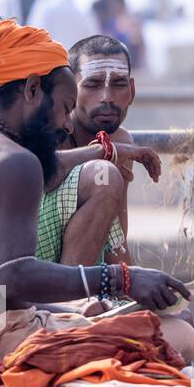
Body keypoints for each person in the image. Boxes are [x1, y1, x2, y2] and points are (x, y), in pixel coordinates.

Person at [0, 18, 194, 363]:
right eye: (64, 107)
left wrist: (75, 308)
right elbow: (16, 277)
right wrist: (121, 279)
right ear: (32, 90)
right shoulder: (15, 161)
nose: (65, 124)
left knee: (129, 320)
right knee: (180, 336)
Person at [34, 34, 162, 270]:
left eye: (119, 84)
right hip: (31, 273)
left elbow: (115, 241)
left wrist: (128, 291)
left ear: (132, 90)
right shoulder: (47, 128)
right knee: (102, 173)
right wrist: (106, 152)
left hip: (86, 279)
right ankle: (70, 298)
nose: (106, 98)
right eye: (92, 85)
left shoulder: (122, 139)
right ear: (70, 90)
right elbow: (39, 173)